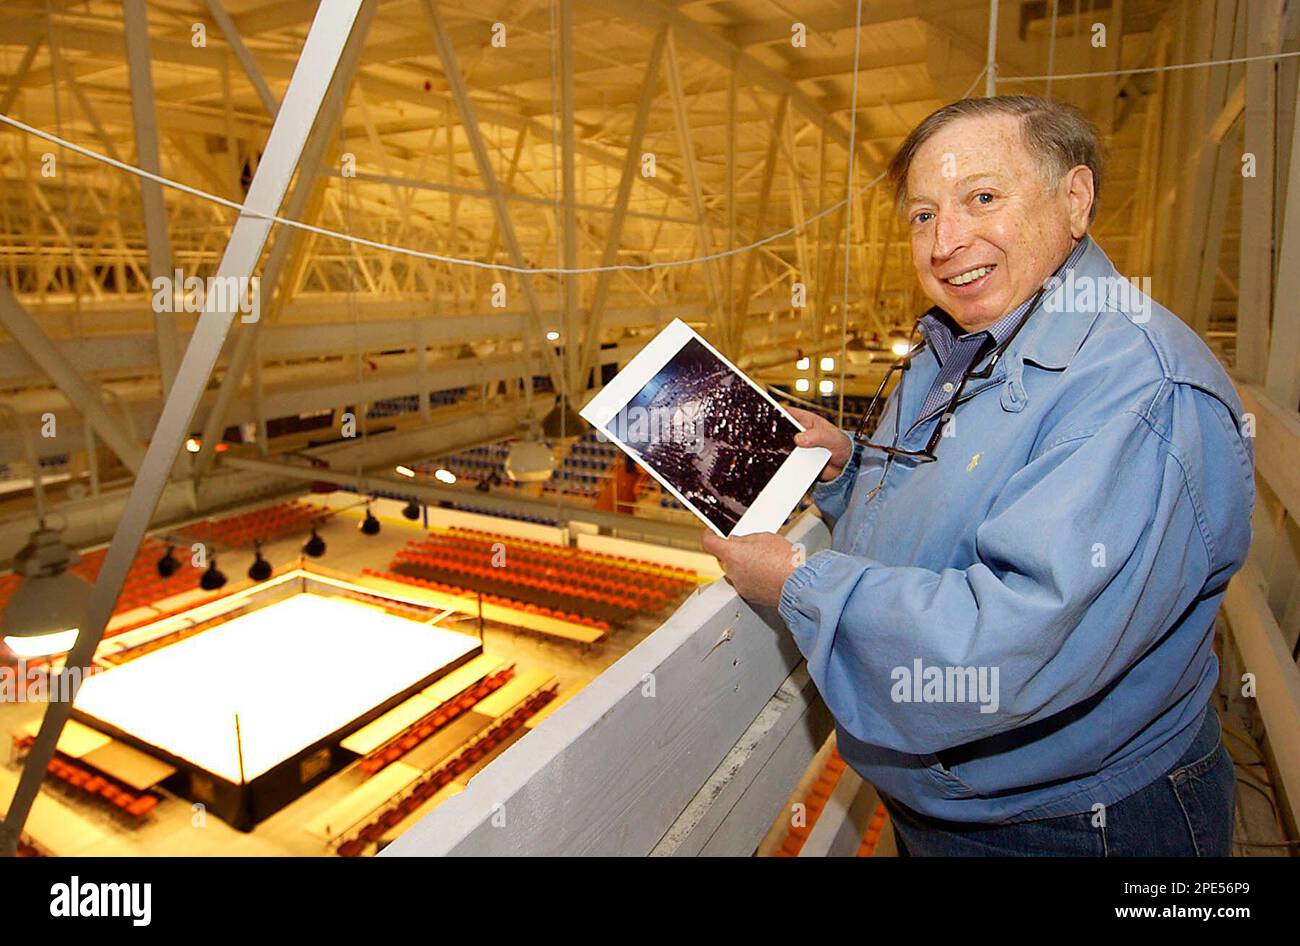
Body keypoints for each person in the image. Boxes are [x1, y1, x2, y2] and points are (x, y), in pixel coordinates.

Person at [702, 96, 1255, 856]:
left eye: (982, 199)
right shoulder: (964, 343)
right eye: (923, 216)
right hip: (959, 804)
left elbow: (1008, 645)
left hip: (1072, 825)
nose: (945, 242)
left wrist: (800, 582)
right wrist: (846, 470)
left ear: (1075, 199)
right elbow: (958, 505)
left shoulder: (1139, 391)